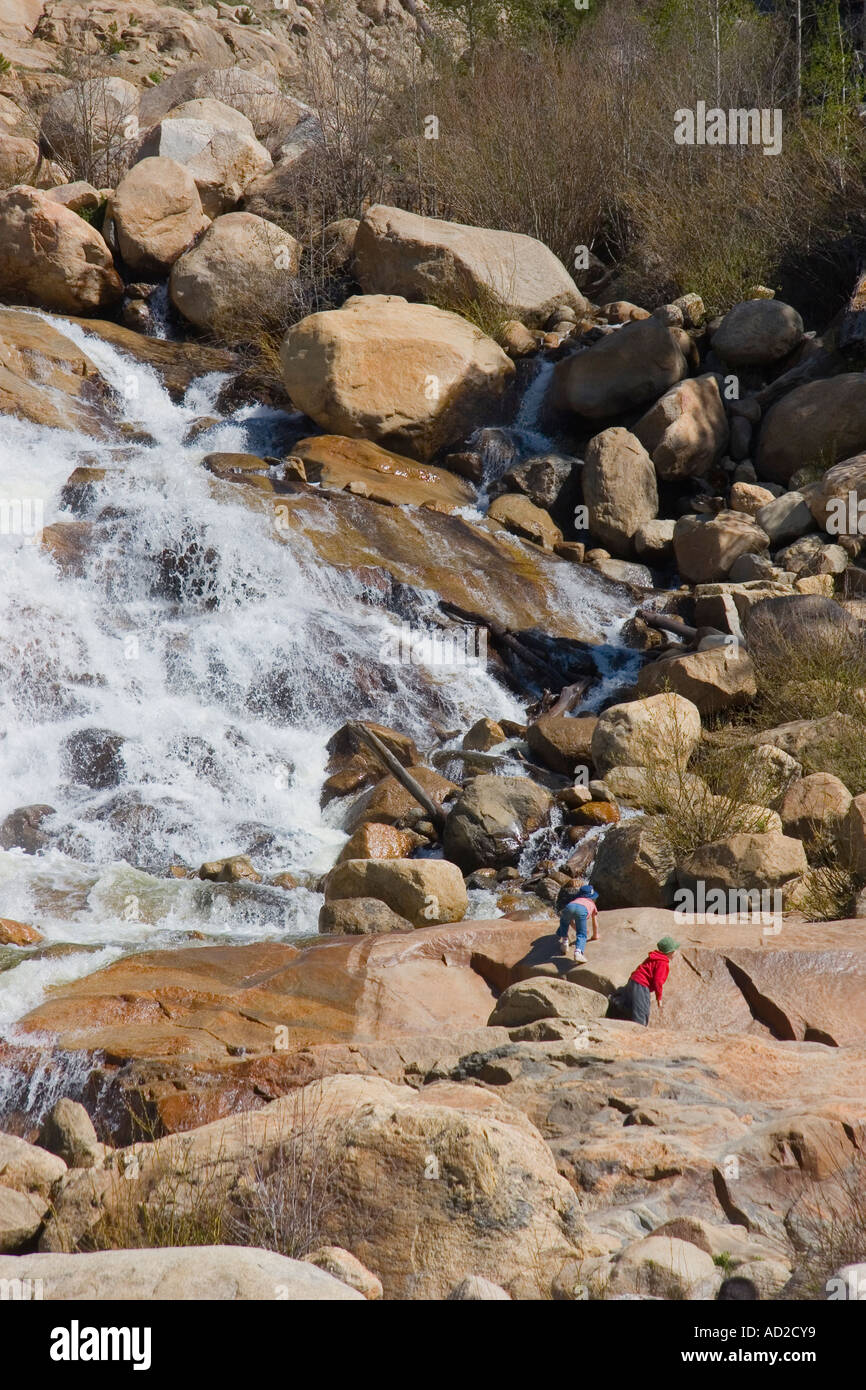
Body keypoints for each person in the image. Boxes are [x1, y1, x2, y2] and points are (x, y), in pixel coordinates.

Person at [607, 936, 680, 1025]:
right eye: (675, 950)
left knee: (631, 1006)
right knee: (642, 1013)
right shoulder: (662, 963)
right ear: (670, 952)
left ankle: (616, 1001)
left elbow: (641, 968)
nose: (676, 952)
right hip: (642, 985)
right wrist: (659, 998)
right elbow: (658, 981)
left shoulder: (654, 957)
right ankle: (639, 1033)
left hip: (634, 980)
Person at [556, 884, 599, 963]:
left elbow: (570, 921)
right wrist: (595, 935)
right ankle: (578, 952)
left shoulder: (575, 900)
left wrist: (575, 927)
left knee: (564, 922)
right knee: (582, 934)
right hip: (582, 910)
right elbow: (594, 922)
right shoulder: (592, 904)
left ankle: (565, 941)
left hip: (569, 906)